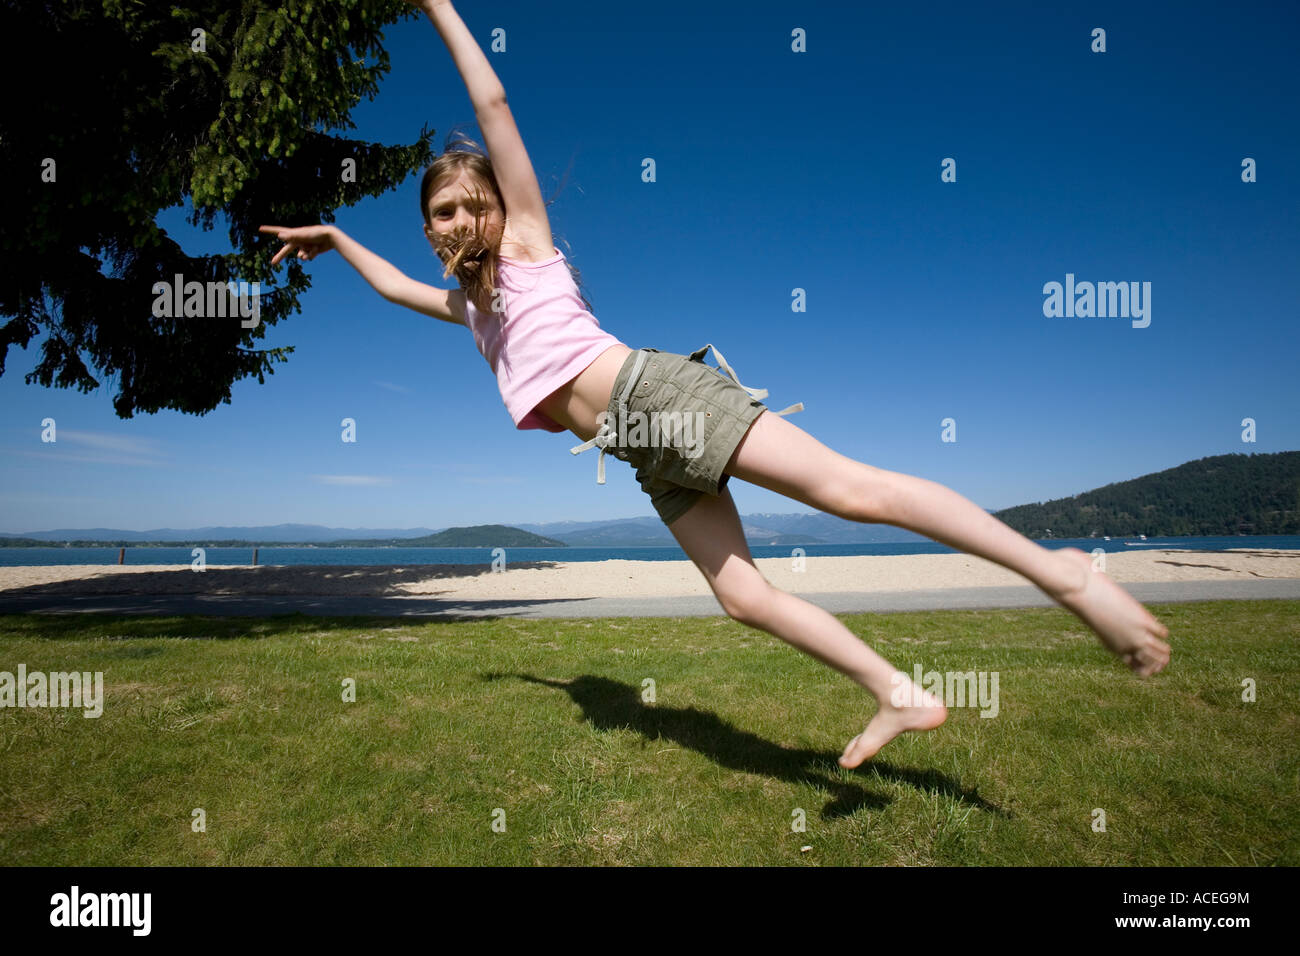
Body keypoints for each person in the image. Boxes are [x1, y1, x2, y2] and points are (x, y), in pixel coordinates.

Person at [260, 0, 1171, 770]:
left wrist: (438, 7)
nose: (455, 218)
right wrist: (337, 240)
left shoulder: (532, 248)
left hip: (661, 401)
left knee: (852, 493)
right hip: (642, 453)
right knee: (742, 597)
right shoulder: (474, 315)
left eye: (468, 202)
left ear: (500, 206)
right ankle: (897, 692)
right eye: (439, 212)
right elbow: (391, 289)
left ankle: (1065, 576)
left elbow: (492, 99)